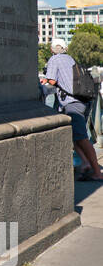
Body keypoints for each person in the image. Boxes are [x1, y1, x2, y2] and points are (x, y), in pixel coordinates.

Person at [43, 39, 103, 181]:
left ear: (52, 49)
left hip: (72, 103)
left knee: (82, 138)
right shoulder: (70, 58)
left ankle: (97, 172)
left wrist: (43, 83)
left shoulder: (54, 59)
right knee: (75, 137)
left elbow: (50, 80)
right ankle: (86, 163)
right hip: (83, 101)